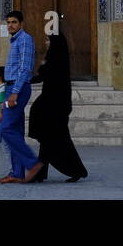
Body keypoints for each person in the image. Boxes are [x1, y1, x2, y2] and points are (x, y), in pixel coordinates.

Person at [27, 31, 88, 182]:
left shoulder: (56, 61)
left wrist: (22, 80)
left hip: (55, 108)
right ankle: (71, 171)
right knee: (51, 140)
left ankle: (71, 171)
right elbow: (42, 77)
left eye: (48, 40)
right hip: (52, 106)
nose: (46, 43)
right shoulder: (53, 58)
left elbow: (43, 76)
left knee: (53, 140)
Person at [0, 10, 43, 184]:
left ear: (21, 24)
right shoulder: (15, 40)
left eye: (14, 22)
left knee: (6, 128)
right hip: (12, 88)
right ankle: (17, 173)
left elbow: (25, 69)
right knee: (14, 130)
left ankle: (32, 163)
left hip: (19, 88)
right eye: (8, 22)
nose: (10, 25)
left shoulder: (25, 40)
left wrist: (14, 93)